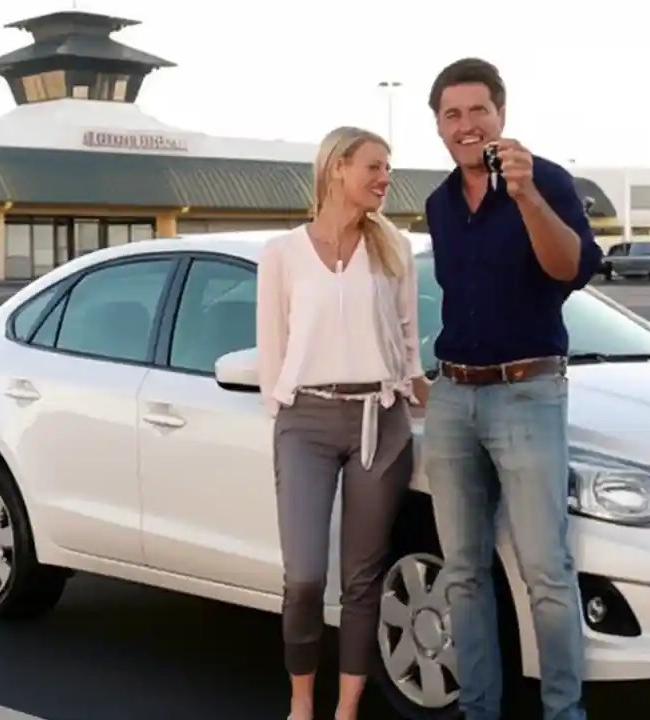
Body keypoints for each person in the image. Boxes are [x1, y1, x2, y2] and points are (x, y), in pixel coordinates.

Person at [420, 58, 602, 720]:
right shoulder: (439, 203)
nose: (466, 126)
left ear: (501, 114)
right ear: (438, 125)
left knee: (545, 570)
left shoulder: (544, 179)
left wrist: (525, 196)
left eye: (478, 111)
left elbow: (571, 269)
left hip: (527, 393)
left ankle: (563, 711)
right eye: (452, 114)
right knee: (462, 571)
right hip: (453, 396)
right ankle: (479, 709)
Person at [256, 125, 431, 720]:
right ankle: (300, 703)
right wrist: (280, 406)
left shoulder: (394, 249)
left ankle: (346, 709)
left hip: (379, 422)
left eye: (388, 169)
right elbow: (272, 345)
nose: (385, 179)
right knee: (304, 576)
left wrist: (413, 388)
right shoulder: (281, 255)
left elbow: (407, 336)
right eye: (374, 168)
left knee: (362, 580)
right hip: (305, 422)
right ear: (337, 168)